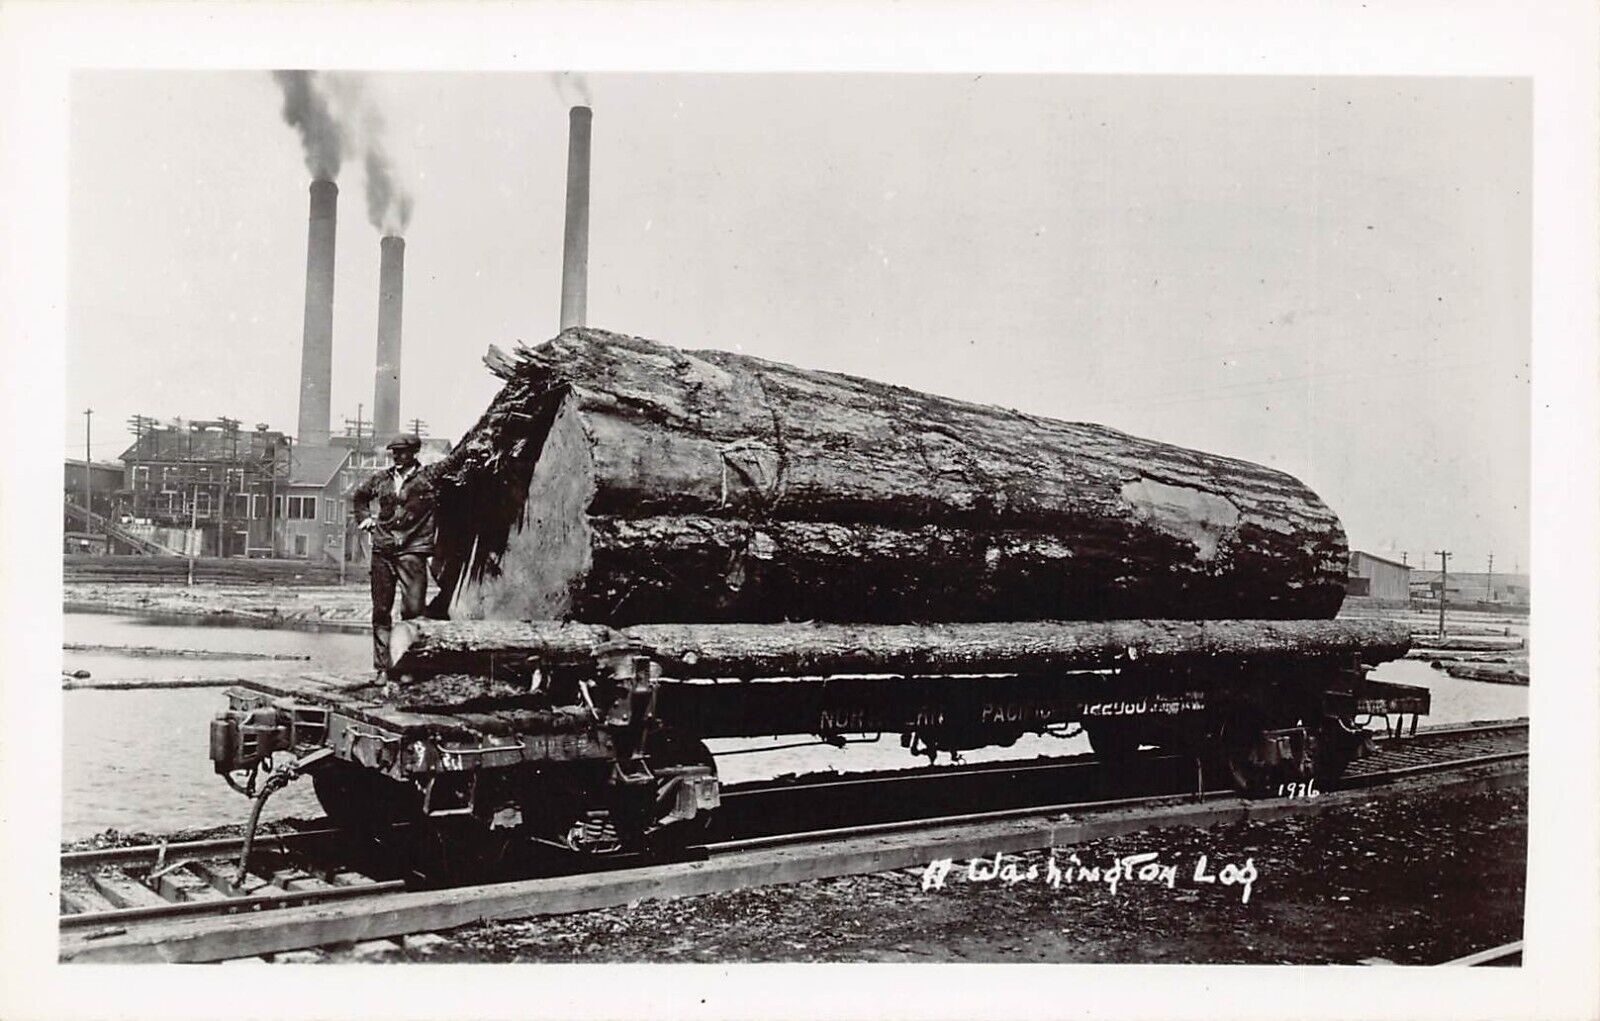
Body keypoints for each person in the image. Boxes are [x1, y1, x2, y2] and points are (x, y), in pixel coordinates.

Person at [351, 433, 438, 681]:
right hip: (383, 549)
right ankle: (382, 668)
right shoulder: (382, 479)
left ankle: (407, 667)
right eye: (394, 452)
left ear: (413, 453)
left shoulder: (427, 477)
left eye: (401, 452)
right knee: (381, 610)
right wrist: (364, 519)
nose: (397, 457)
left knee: (412, 610)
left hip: (413, 550)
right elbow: (359, 497)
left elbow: (452, 463)